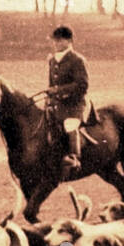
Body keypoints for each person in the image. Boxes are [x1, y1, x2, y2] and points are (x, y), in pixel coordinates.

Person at [44, 26, 89, 171]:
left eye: (59, 41)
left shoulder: (77, 60)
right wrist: (50, 96)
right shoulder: (52, 60)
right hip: (58, 105)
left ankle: (74, 158)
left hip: (75, 104)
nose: (56, 43)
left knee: (70, 125)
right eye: (54, 41)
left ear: (69, 41)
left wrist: (59, 90)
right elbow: (52, 84)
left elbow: (82, 85)